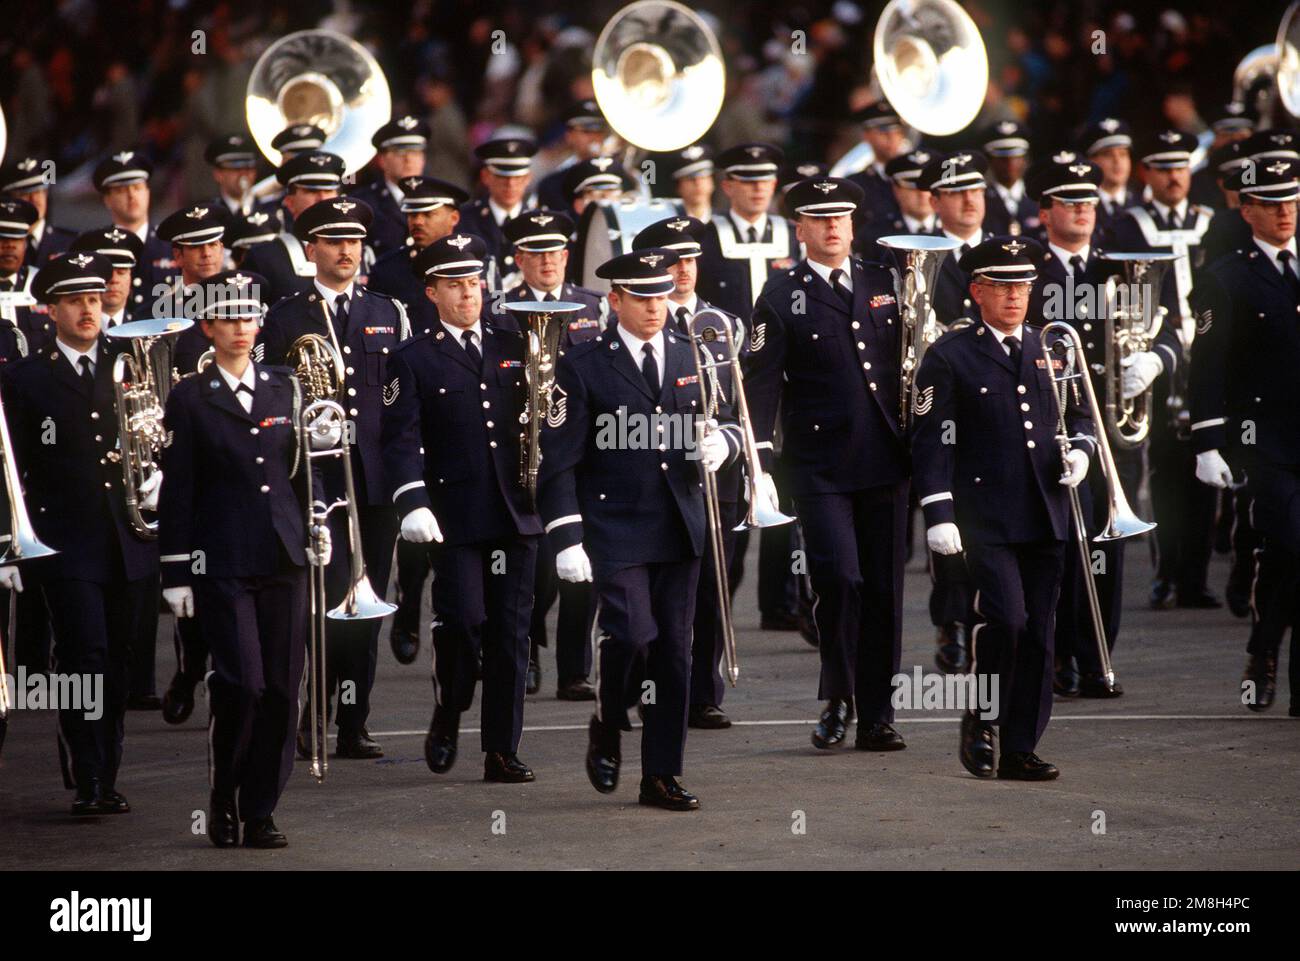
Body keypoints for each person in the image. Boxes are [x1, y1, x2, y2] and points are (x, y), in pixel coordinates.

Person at [539, 248, 740, 810]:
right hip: (614, 523)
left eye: (662, 295)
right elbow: (560, 461)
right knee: (631, 635)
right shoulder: (582, 365)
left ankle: (660, 774)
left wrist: (723, 443)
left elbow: (727, 415)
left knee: (675, 653)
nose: (657, 306)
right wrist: (565, 535)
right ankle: (608, 716)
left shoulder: (690, 352)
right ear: (615, 300)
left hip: (680, 522)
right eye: (644, 297)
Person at [912, 236, 1096, 780]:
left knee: (1041, 630)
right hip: (983, 513)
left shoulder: (1051, 346)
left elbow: (1080, 414)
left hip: (1045, 509)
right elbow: (932, 438)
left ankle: (1020, 745)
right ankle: (982, 716)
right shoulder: (949, 354)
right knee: (1008, 620)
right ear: (976, 291)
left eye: (1023, 285)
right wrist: (938, 510)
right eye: (1002, 285)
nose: (1015, 295)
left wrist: (1083, 452)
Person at [158, 269, 329, 847]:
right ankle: (223, 794)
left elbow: (304, 470)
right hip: (221, 558)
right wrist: (177, 570)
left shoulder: (287, 387)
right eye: (227, 318)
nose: (240, 328)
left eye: (248, 317)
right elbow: (178, 487)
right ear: (208, 327)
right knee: (243, 684)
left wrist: (320, 522)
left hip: (283, 554)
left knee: (284, 689)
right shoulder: (189, 397)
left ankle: (261, 807)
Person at [746, 177, 910, 753]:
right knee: (841, 578)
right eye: (820, 219)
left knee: (885, 590)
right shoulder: (780, 292)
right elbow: (761, 384)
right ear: (801, 229)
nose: (833, 227)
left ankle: (878, 713)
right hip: (817, 468)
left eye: (841, 217)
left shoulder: (885, 279)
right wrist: (760, 463)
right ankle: (839, 696)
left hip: (887, 460)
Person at [0, 252, 159, 814]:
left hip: (130, 537)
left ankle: (105, 768)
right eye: (75, 302)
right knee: (82, 654)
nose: (89, 310)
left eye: (94, 299)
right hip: (65, 539)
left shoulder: (131, 361)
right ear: (51, 310)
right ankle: (89, 774)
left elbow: (155, 435)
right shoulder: (25, 378)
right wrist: (9, 545)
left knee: (118, 657)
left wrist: (158, 476)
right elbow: (10, 468)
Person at [382, 233, 542, 781]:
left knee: (509, 633)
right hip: (454, 514)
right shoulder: (412, 358)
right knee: (464, 622)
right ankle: (449, 709)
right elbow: (399, 437)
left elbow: (541, 423)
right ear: (432, 292)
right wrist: (413, 501)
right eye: (455, 285)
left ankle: (501, 748)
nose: (468, 294)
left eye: (474, 284)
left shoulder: (514, 344)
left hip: (515, 509)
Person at [1025, 151, 1180, 698]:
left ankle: (1095, 657)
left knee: (1105, 547)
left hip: (1112, 428)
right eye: (1069, 202)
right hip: (1050, 427)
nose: (1082, 210)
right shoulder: (1028, 270)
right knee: (1058, 545)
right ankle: (1060, 655)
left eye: (1088, 200)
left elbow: (1172, 327)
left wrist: (1156, 360)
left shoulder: (1120, 267)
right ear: (1044, 212)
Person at [259, 197, 409, 760]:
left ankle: (354, 720)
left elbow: (398, 401)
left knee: (368, 607)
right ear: (310, 250)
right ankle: (313, 715)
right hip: (318, 481)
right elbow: (275, 397)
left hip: (375, 481)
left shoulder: (388, 311)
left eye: (354, 241)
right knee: (326, 599)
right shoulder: (285, 316)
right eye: (333, 241)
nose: (347, 250)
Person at [1189, 158, 1300, 717]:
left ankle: (1271, 656)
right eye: (1272, 202)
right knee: (1292, 540)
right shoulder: (1226, 276)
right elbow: (1207, 363)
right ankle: (1262, 652)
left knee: (1288, 553)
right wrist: (1208, 440)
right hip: (1263, 437)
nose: (1284, 211)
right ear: (1247, 208)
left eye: (1292, 200)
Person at [633, 215, 746, 728]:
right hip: (649, 472)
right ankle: (646, 682)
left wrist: (728, 443)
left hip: (711, 475)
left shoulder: (723, 323)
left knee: (707, 587)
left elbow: (740, 405)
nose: (685, 269)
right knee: (654, 589)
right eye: (673, 260)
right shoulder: (637, 323)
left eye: (692, 258)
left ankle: (703, 692)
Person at [1109, 129, 1219, 611]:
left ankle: (1195, 577)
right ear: (1147, 174)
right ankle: (1165, 572)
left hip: (1211, 351)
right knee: (1166, 466)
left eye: (1180, 167)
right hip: (1159, 352)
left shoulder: (1211, 222)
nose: (1174, 177)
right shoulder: (1128, 225)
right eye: (1163, 168)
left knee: (1209, 457)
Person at [500, 207, 605, 699]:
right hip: (523, 448)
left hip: (580, 449)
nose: (548, 261)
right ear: (520, 258)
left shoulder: (593, 306)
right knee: (537, 568)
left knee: (581, 560)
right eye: (537, 252)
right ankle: (528, 646)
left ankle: (574, 670)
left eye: (556, 251)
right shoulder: (499, 308)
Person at [240, 151, 346, 307]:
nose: (322, 199)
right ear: (289, 202)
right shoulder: (264, 258)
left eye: (329, 190)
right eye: (312, 191)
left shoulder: (359, 253)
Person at [93, 149, 176, 309]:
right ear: (107, 200)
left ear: (148, 193)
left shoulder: (171, 247)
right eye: (122, 190)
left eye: (137, 187)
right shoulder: (95, 249)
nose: (131, 196)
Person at [457, 137, 537, 291]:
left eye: (517, 177)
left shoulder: (540, 223)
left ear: (528, 178)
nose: (510, 185)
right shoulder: (464, 219)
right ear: (485, 176)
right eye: (502, 177)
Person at [354, 115, 432, 257]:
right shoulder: (363, 204)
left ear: (423, 159)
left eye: (415, 152)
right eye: (399, 152)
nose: (408, 159)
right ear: (382, 160)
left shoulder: (438, 201)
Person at [0, 197, 53, 359]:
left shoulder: (43, 285)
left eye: (17, 239)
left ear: (25, 245)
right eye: (2, 238)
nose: (10, 246)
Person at [0, 155, 75, 267]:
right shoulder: (3, 243)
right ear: (10, 199)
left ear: (46, 194)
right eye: (24, 194)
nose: (33, 199)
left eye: (38, 192)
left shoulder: (70, 242)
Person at [535, 100, 610, 212]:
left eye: (599, 131)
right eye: (586, 131)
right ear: (569, 136)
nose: (594, 137)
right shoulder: (553, 184)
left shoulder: (623, 176)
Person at [845, 100, 907, 226]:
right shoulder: (856, 184)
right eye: (883, 132)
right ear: (866, 136)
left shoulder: (917, 177)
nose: (891, 137)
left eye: (897, 131)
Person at [1079, 118, 1139, 241]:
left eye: (1123, 154)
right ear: (1091, 161)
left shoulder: (1143, 200)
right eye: (1107, 154)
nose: (1117, 161)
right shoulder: (1082, 205)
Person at [981, 120, 1038, 237]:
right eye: (1002, 158)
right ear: (991, 161)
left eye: (1016, 157)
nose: (1010, 163)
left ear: (1024, 160)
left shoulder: (1038, 198)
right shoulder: (981, 201)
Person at [645, 144, 716, 221]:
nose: (698, 183)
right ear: (678, 186)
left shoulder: (725, 223)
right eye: (690, 178)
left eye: (703, 177)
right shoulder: (667, 223)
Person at [203, 133, 258, 217]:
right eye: (236, 169)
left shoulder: (270, 208)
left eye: (248, 168)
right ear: (218, 174)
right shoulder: (209, 214)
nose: (243, 174)